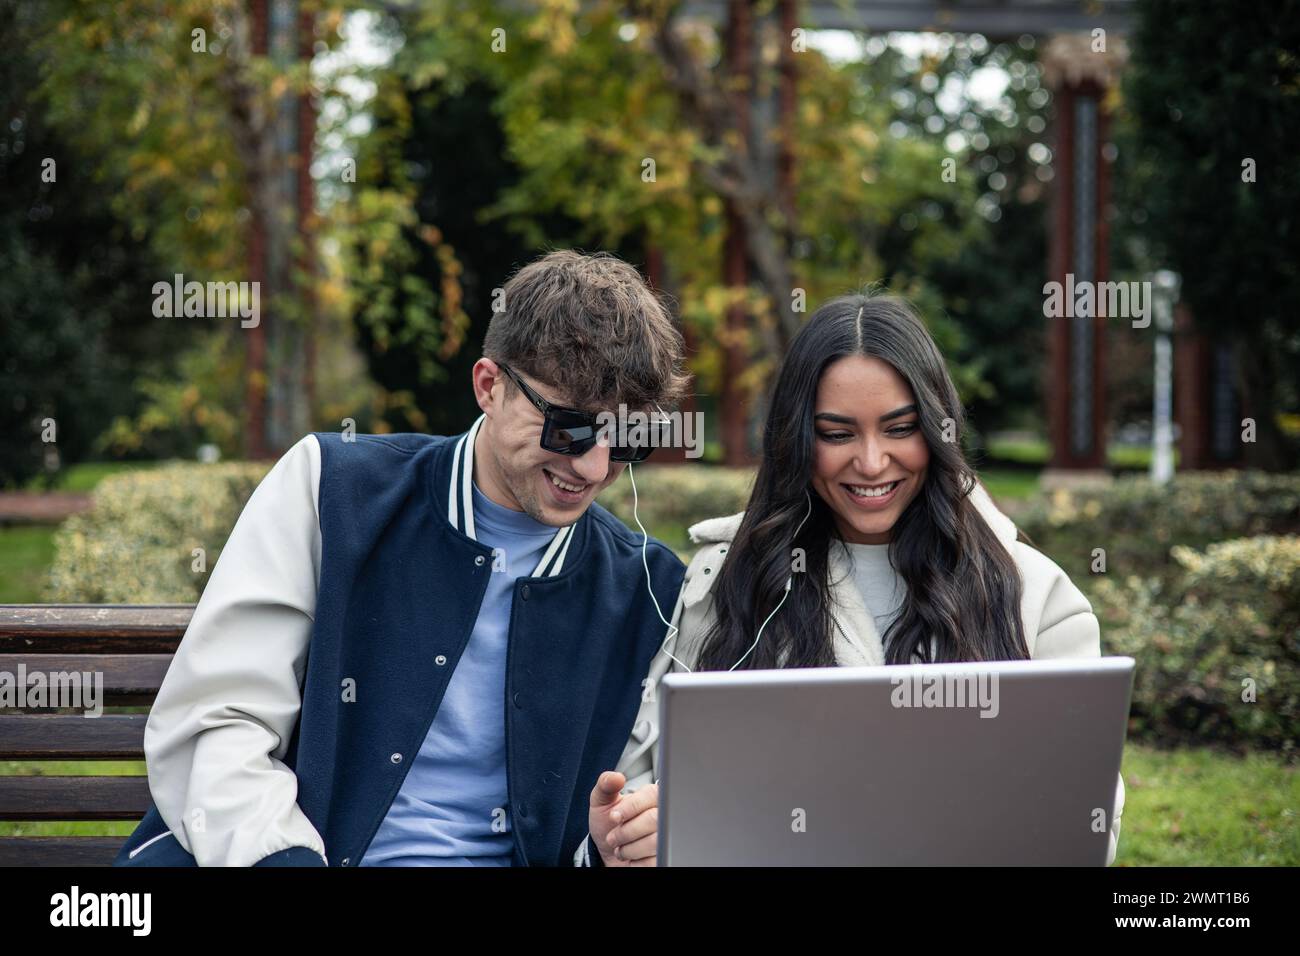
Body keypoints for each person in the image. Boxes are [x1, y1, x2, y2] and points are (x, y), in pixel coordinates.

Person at [113, 250, 689, 867]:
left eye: (627, 438)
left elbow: (623, 813)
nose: (594, 468)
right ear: (489, 386)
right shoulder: (330, 488)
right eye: (569, 431)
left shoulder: (648, 587)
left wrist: (614, 850)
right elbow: (220, 724)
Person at [591, 292, 1126, 866]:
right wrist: (635, 837)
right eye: (837, 434)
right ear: (797, 438)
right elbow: (648, 784)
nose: (872, 463)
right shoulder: (721, 582)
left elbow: (1088, 822)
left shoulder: (1033, 592)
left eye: (900, 429)